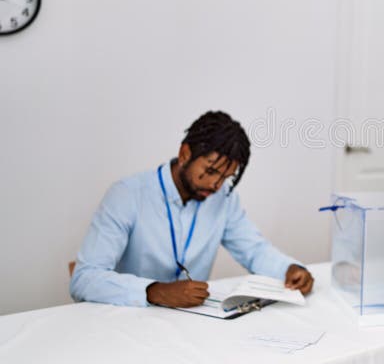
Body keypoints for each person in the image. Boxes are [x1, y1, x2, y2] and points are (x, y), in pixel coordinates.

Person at [70, 110, 314, 308]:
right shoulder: (127, 195)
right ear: (185, 153)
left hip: (192, 325)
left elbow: (254, 249)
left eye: (225, 177)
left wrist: (289, 269)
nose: (215, 185)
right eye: (210, 171)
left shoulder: (223, 199)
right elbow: (84, 278)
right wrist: (155, 291)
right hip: (130, 322)